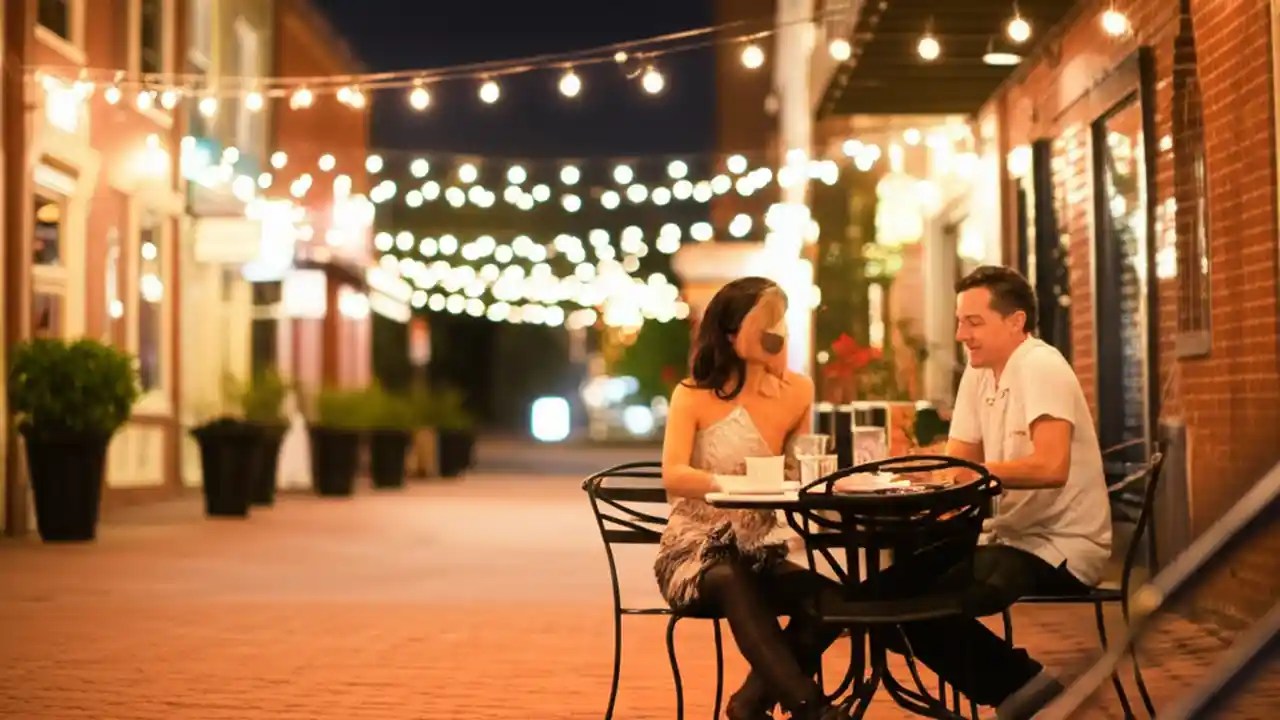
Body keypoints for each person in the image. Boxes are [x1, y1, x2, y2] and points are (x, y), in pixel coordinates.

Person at [884, 265, 1112, 719]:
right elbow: (956, 464)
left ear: (1016, 321)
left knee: (917, 606)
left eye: (974, 321)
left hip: (1060, 545)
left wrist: (967, 475)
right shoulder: (979, 372)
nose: (961, 334)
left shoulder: (1040, 365)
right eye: (958, 321)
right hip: (1006, 535)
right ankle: (1028, 690)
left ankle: (1026, 693)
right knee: (882, 601)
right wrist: (911, 469)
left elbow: (1051, 466)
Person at [655, 277, 844, 720]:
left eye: (781, 320)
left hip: (763, 548)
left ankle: (749, 704)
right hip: (696, 550)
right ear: (730, 332)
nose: (776, 332)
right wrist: (729, 485)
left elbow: (800, 472)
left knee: (836, 598)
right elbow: (674, 476)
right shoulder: (693, 394)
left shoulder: (798, 391)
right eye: (765, 322)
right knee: (727, 575)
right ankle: (812, 709)